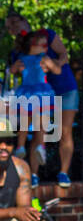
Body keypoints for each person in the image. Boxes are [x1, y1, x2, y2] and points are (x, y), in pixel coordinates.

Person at [5, 13, 77, 187]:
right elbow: (15, 73)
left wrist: (52, 65)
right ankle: (34, 174)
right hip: (38, 96)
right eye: (8, 27)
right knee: (38, 130)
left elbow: (64, 55)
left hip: (63, 88)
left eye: (14, 23)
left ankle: (64, 173)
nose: (12, 28)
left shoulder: (46, 36)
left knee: (65, 131)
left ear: (25, 20)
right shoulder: (18, 51)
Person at [0, 122, 60, 221]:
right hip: (9, 219)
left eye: (8, 142)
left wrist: (35, 219)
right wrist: (13, 212)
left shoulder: (20, 167)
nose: (3, 147)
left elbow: (23, 208)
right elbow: (16, 212)